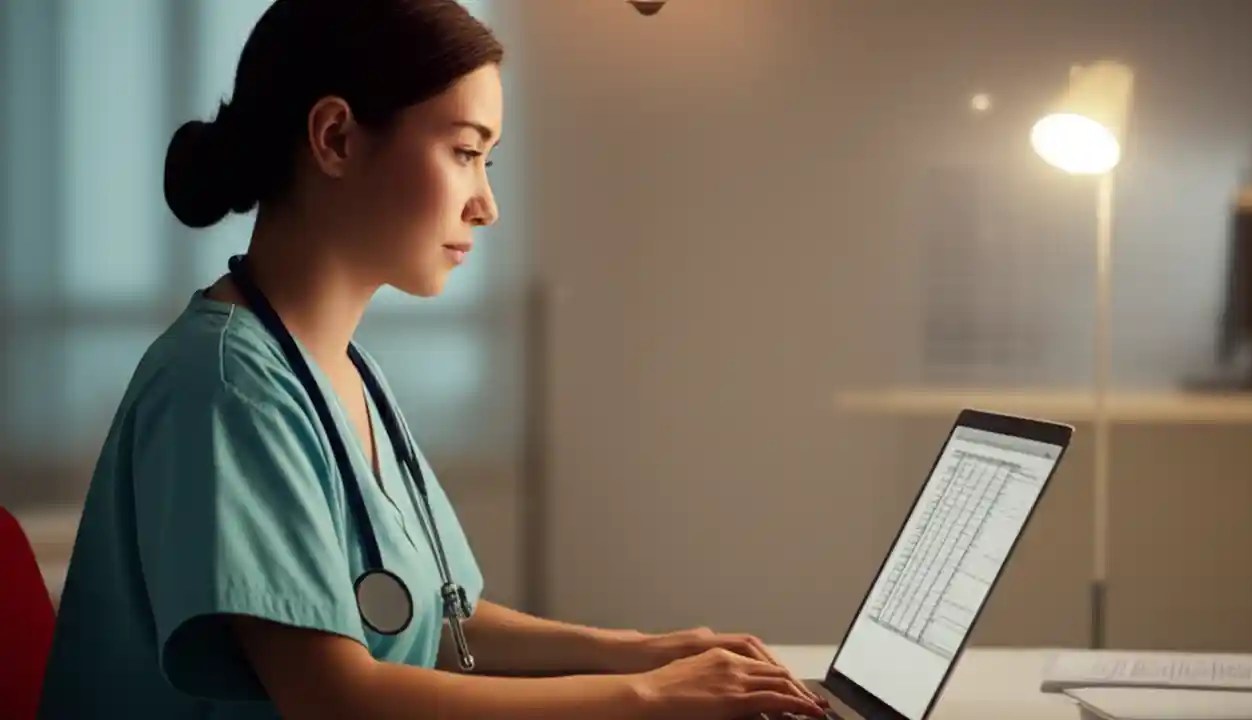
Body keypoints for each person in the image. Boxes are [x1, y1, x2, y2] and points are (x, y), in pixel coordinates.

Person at [36, 1, 830, 718]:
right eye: (464, 152)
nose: (485, 203)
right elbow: (336, 695)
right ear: (336, 139)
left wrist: (644, 650)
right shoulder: (226, 386)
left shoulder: (344, 372)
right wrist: (647, 698)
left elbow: (438, 625)